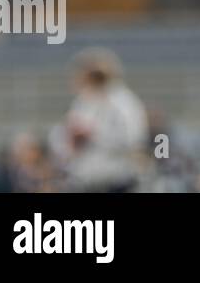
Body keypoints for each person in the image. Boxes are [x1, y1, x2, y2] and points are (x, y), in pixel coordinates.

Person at [52, 49, 148, 192]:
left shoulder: (124, 102)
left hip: (117, 179)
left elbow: (133, 138)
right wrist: (71, 141)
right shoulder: (81, 103)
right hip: (85, 180)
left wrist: (94, 135)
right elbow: (62, 138)